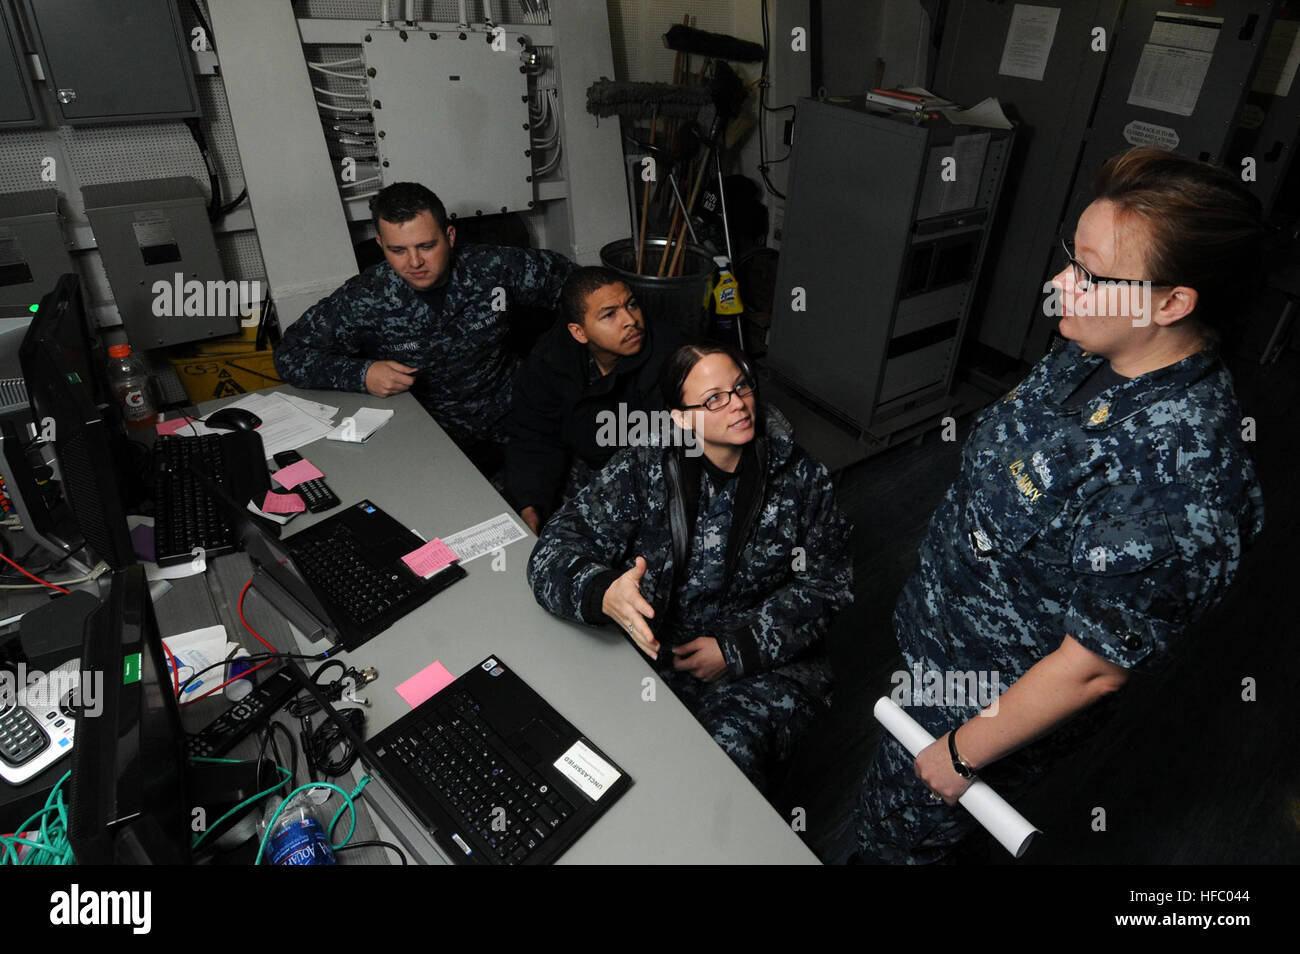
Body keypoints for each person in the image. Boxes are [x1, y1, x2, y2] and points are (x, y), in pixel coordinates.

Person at [854, 147, 1272, 864]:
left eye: (1090, 275)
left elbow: (1092, 666)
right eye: (1068, 259)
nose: (1060, 285)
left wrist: (960, 754)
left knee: (898, 841)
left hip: (983, 708)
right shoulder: (1094, 348)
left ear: (1171, 303)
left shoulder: (1184, 478)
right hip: (943, 644)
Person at [527, 343, 854, 795]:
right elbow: (556, 547)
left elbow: (827, 586)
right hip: (648, 649)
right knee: (585, 757)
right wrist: (604, 592)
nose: (737, 404)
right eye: (714, 398)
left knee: (718, 774)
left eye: (741, 387)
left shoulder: (802, 479)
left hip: (759, 666)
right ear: (682, 418)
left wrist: (735, 649)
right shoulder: (645, 464)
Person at [272, 182, 574, 472]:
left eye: (427, 246)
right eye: (398, 250)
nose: (414, 262)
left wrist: (561, 360)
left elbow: (581, 289)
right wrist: (363, 374)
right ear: (381, 244)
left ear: (450, 236)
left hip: (514, 415)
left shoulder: (494, 268)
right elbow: (289, 354)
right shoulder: (367, 296)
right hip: (430, 434)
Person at [505, 266, 686, 534]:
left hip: (652, 476)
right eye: (609, 314)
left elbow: (673, 454)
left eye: (632, 305)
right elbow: (533, 435)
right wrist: (530, 504)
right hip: (584, 461)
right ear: (579, 332)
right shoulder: (550, 361)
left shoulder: (672, 358)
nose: (630, 320)